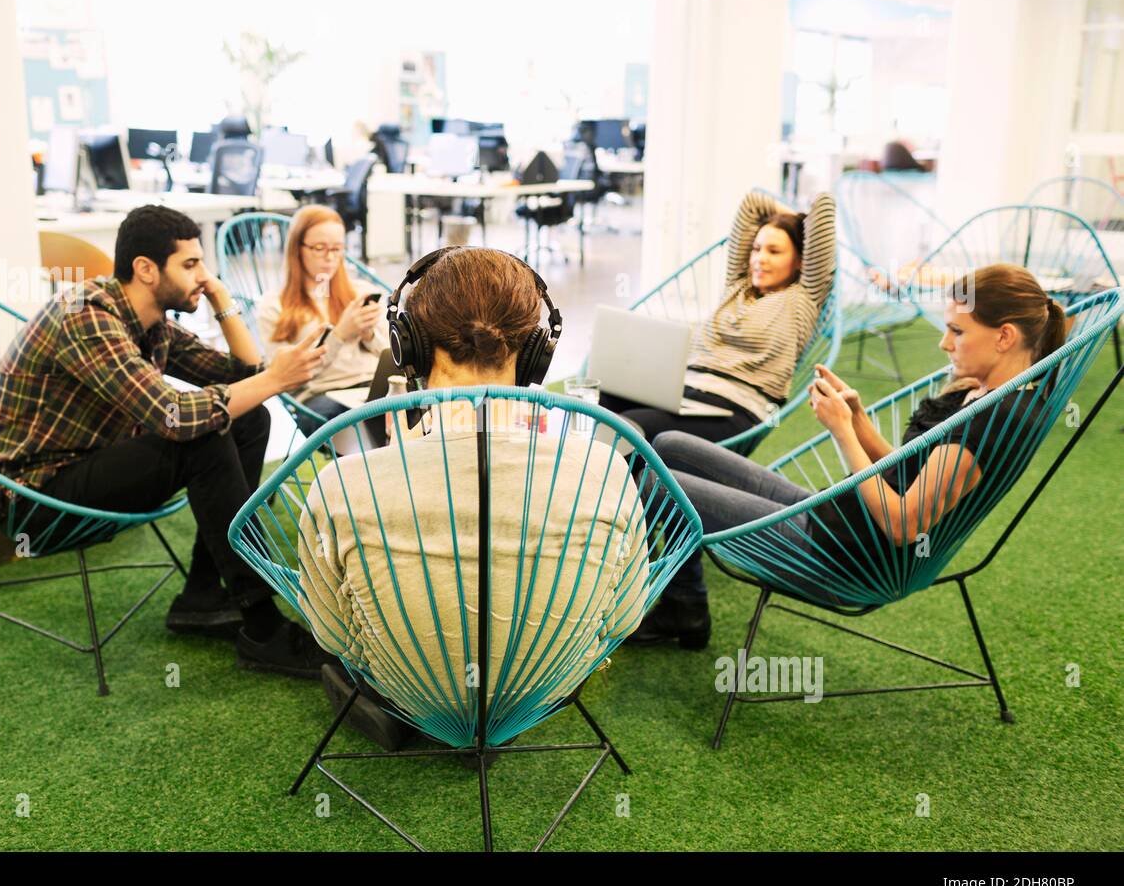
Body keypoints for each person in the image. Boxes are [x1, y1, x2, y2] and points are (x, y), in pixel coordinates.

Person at [293, 247, 650, 751]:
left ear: (407, 347)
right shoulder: (606, 470)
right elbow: (625, 618)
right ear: (536, 356)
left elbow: (332, 634)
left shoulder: (341, 485)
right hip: (548, 688)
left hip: (408, 692)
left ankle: (421, 718)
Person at [0, 204, 339, 678]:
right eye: (191, 265)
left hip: (88, 465)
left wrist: (223, 300)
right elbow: (177, 416)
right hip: (32, 496)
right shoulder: (86, 316)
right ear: (146, 269)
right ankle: (263, 627)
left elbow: (248, 375)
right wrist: (273, 379)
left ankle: (204, 596)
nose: (202, 277)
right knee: (203, 439)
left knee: (250, 421)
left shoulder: (153, 325)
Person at [642, 264, 1065, 647]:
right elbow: (914, 468)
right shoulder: (990, 391)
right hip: (835, 518)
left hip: (841, 557)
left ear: (1005, 336)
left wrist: (843, 432)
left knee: (650, 483)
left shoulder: (992, 422)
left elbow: (903, 525)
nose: (943, 343)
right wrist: (859, 420)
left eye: (957, 331)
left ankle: (686, 605)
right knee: (672, 445)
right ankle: (684, 601)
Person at [599, 189, 838, 445]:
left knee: (631, 427)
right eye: (756, 249)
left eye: (774, 251)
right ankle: (620, 481)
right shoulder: (737, 285)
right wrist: (781, 222)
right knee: (604, 398)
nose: (760, 259)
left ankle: (621, 481)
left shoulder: (804, 296)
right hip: (685, 393)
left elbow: (823, 204)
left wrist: (799, 222)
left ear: (801, 261)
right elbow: (752, 203)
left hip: (736, 409)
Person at [256, 204, 388, 434]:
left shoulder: (361, 293)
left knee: (419, 403)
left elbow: (393, 355)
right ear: (297, 249)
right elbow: (286, 377)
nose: (330, 258)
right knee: (366, 423)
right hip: (321, 397)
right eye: (319, 248)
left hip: (374, 389)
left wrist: (368, 334)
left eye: (337, 249)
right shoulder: (274, 306)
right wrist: (339, 335)